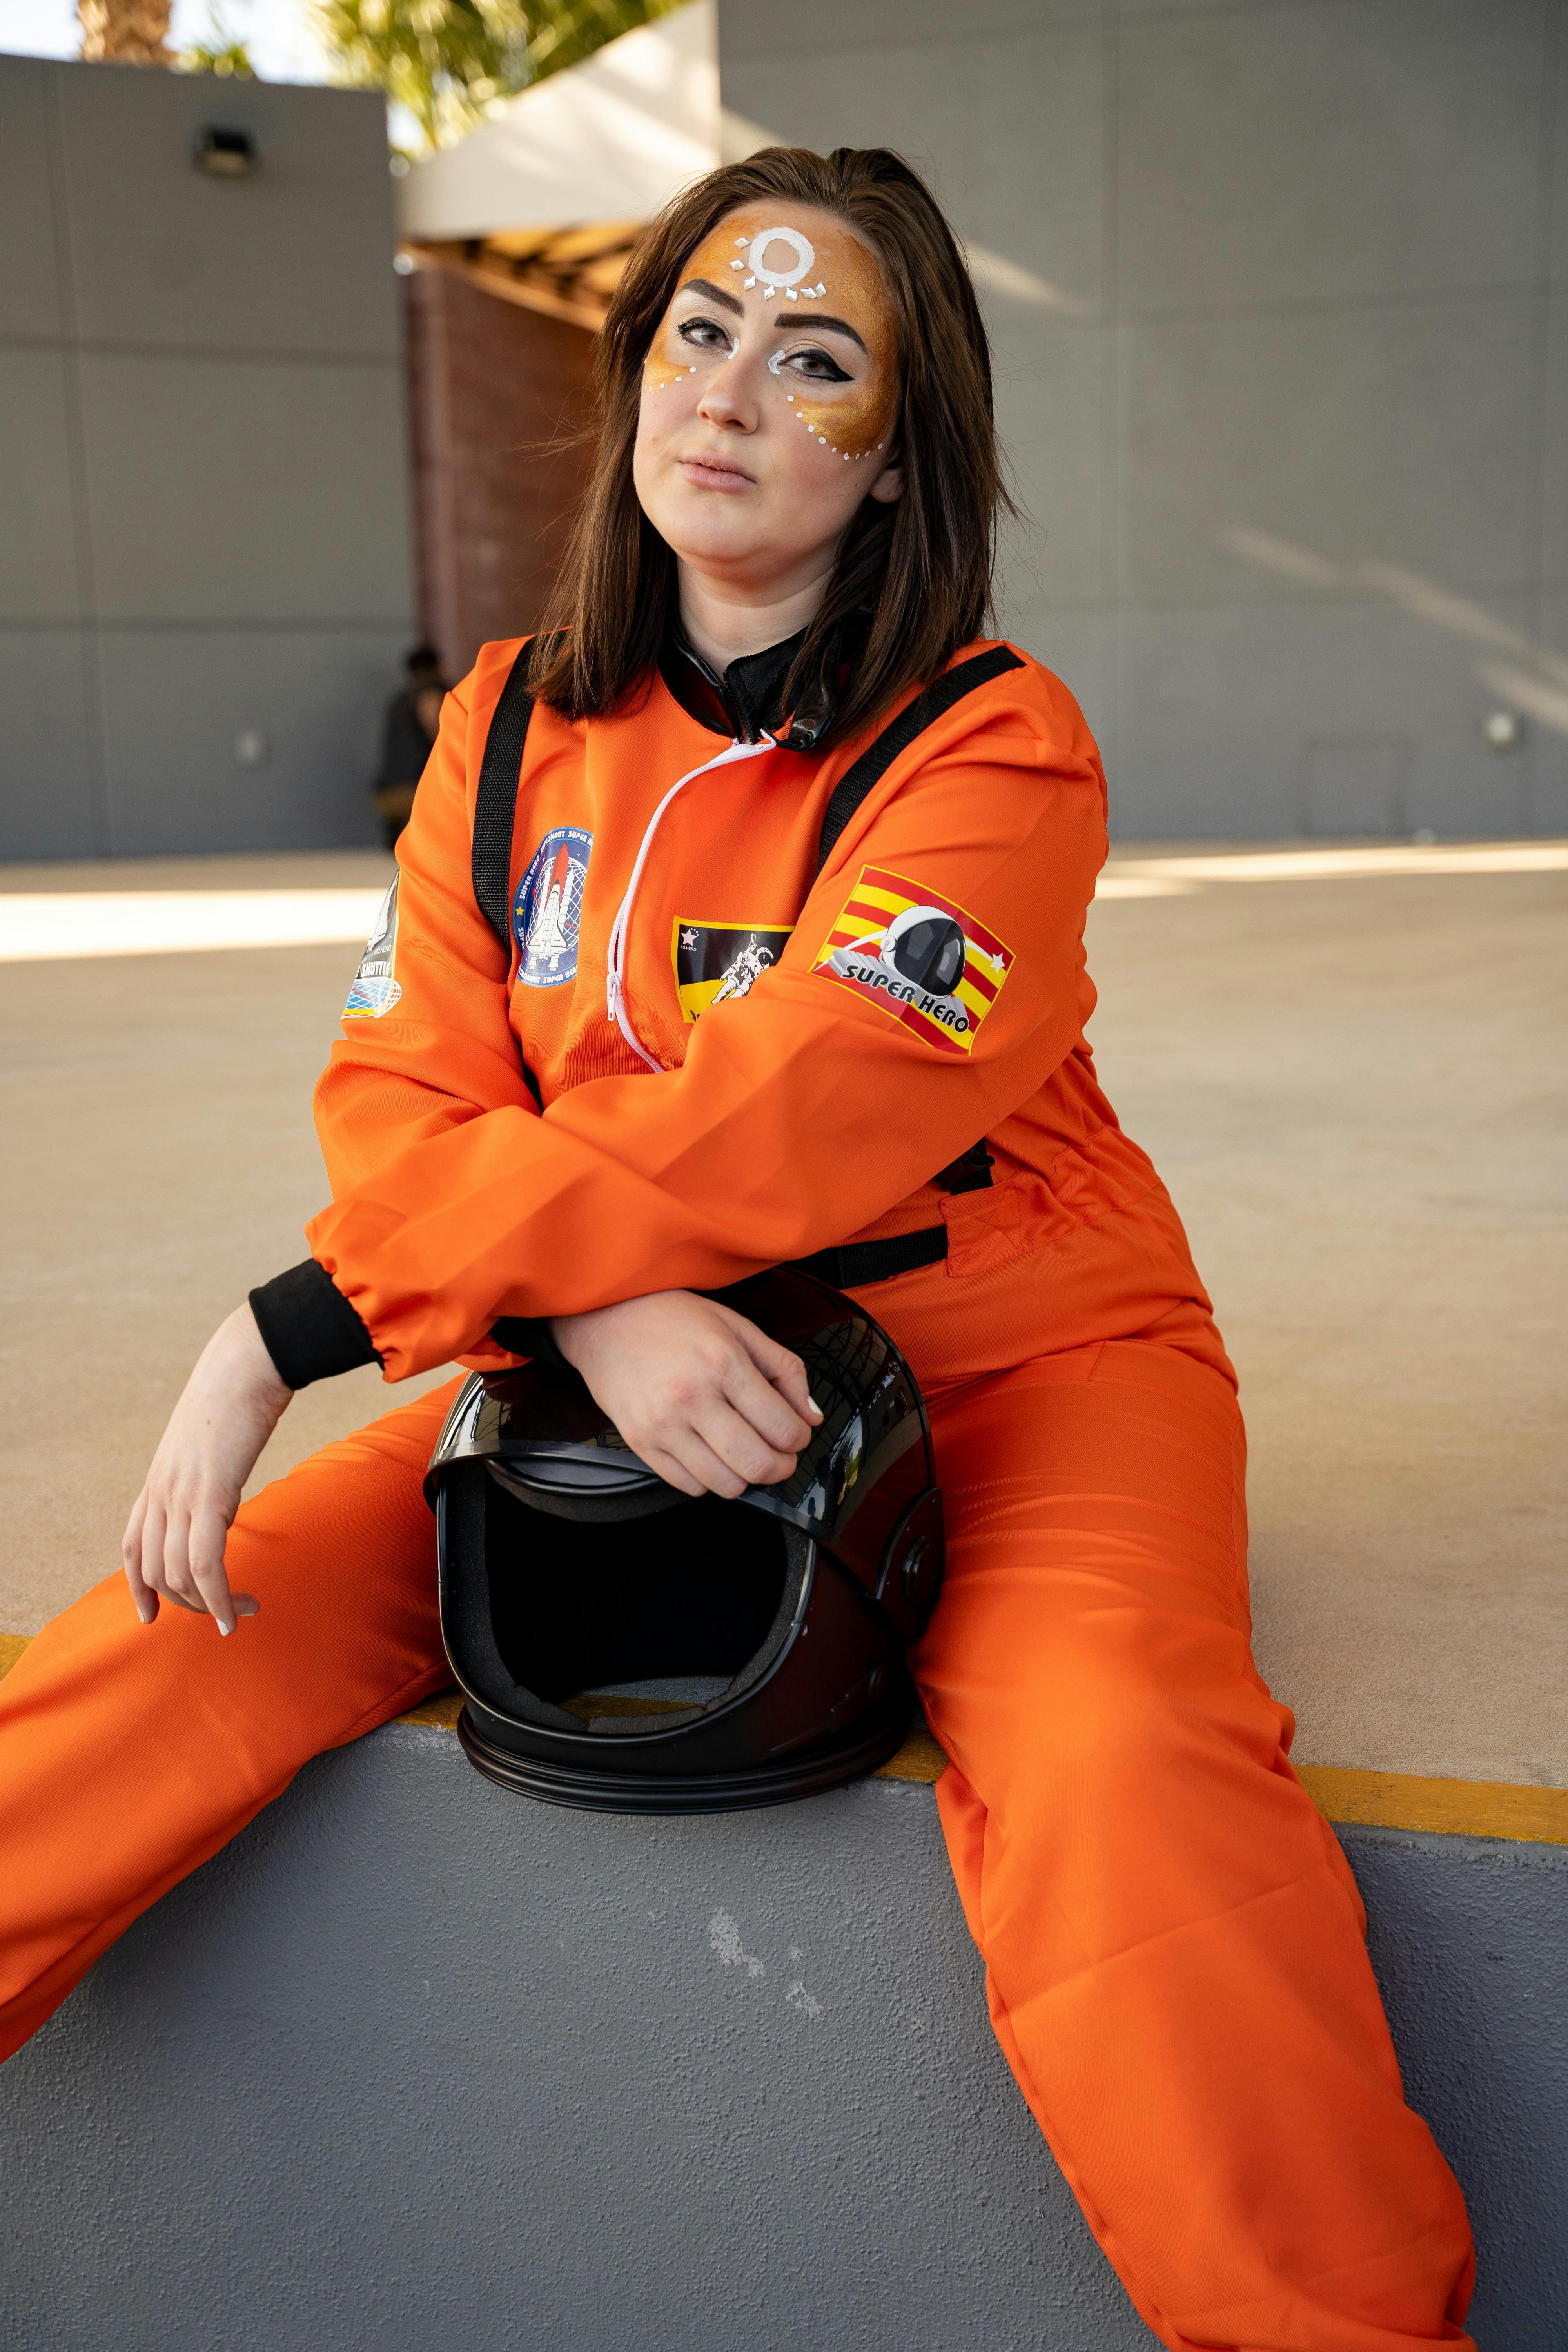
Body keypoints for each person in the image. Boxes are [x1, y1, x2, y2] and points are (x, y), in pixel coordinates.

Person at [0, 147, 1475, 2351]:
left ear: (894, 454)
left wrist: (294, 1322)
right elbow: (403, 1099)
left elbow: (795, 1105)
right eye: (699, 332)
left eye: (812, 359)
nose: (731, 391)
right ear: (631, 376)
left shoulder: (995, 742)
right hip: (600, 1353)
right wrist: (594, 1305)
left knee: (1115, 1760)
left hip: (1017, 1361)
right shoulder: (506, 723)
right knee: (165, 1637)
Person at [371, 642, 446, 846]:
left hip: (388, 792)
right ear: (439, 668)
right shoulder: (433, 695)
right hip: (417, 791)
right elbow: (441, 736)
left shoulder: (398, 702)